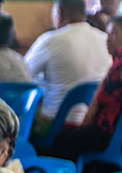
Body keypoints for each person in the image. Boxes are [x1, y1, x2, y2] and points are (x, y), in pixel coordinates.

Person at [25, 0, 112, 132]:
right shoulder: (105, 39)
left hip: (55, 128)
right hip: (95, 126)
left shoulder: (50, 40)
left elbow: (23, 74)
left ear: (58, 13)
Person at [41, 15, 122, 163]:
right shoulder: (116, 63)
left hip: (109, 133)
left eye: (114, 33)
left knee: (62, 140)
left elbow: (103, 98)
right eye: (108, 33)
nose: (108, 39)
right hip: (114, 133)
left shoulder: (120, 64)